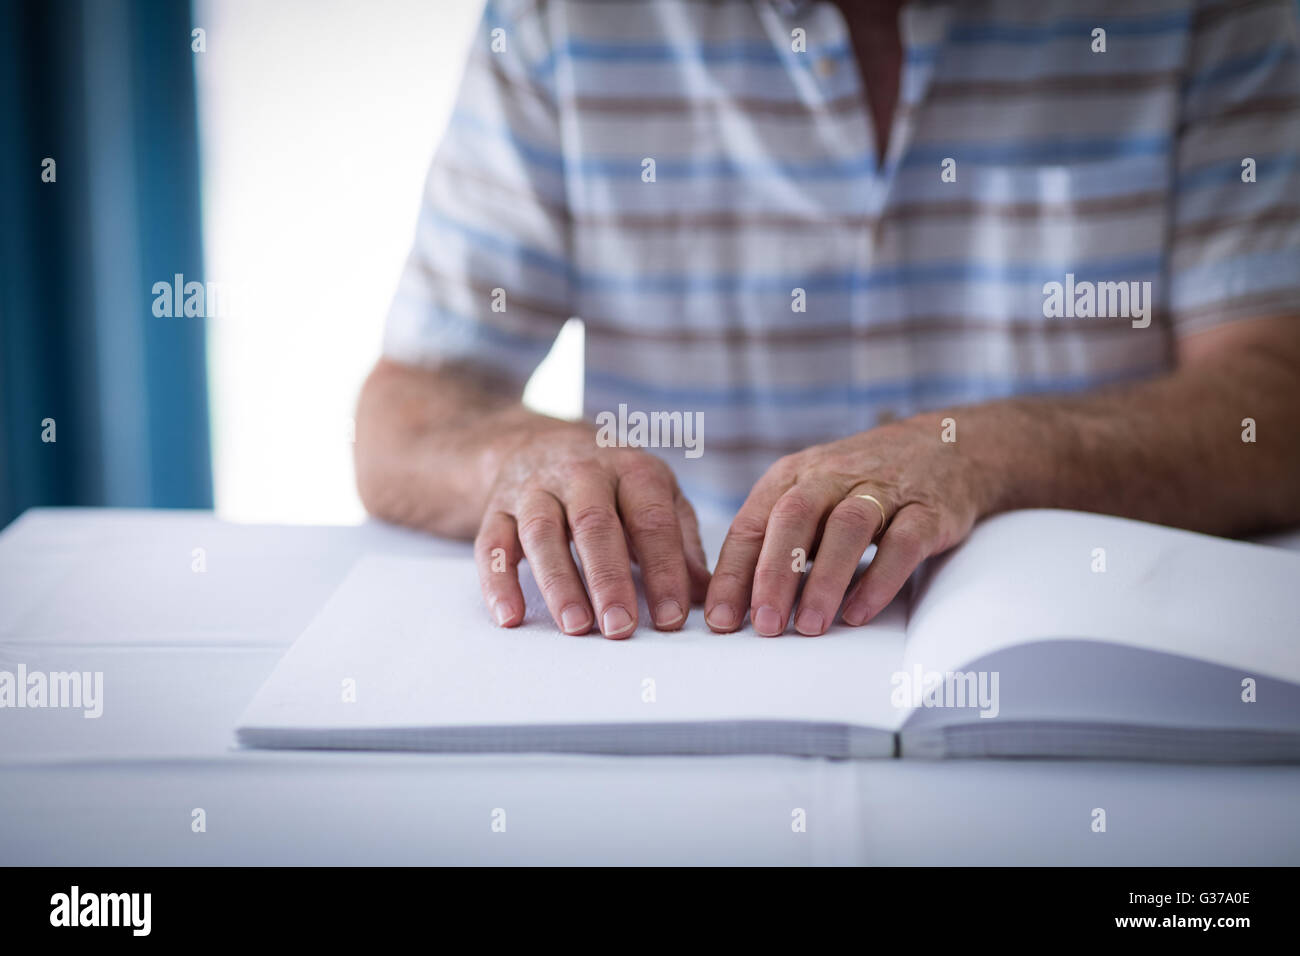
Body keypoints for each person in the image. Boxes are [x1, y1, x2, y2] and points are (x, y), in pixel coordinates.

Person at [355, 0, 1300, 639]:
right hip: (695, 650)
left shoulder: (1209, 12)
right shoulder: (562, 19)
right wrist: (528, 463)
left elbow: (1275, 403)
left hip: (1103, 649)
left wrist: (980, 455)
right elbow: (411, 407)